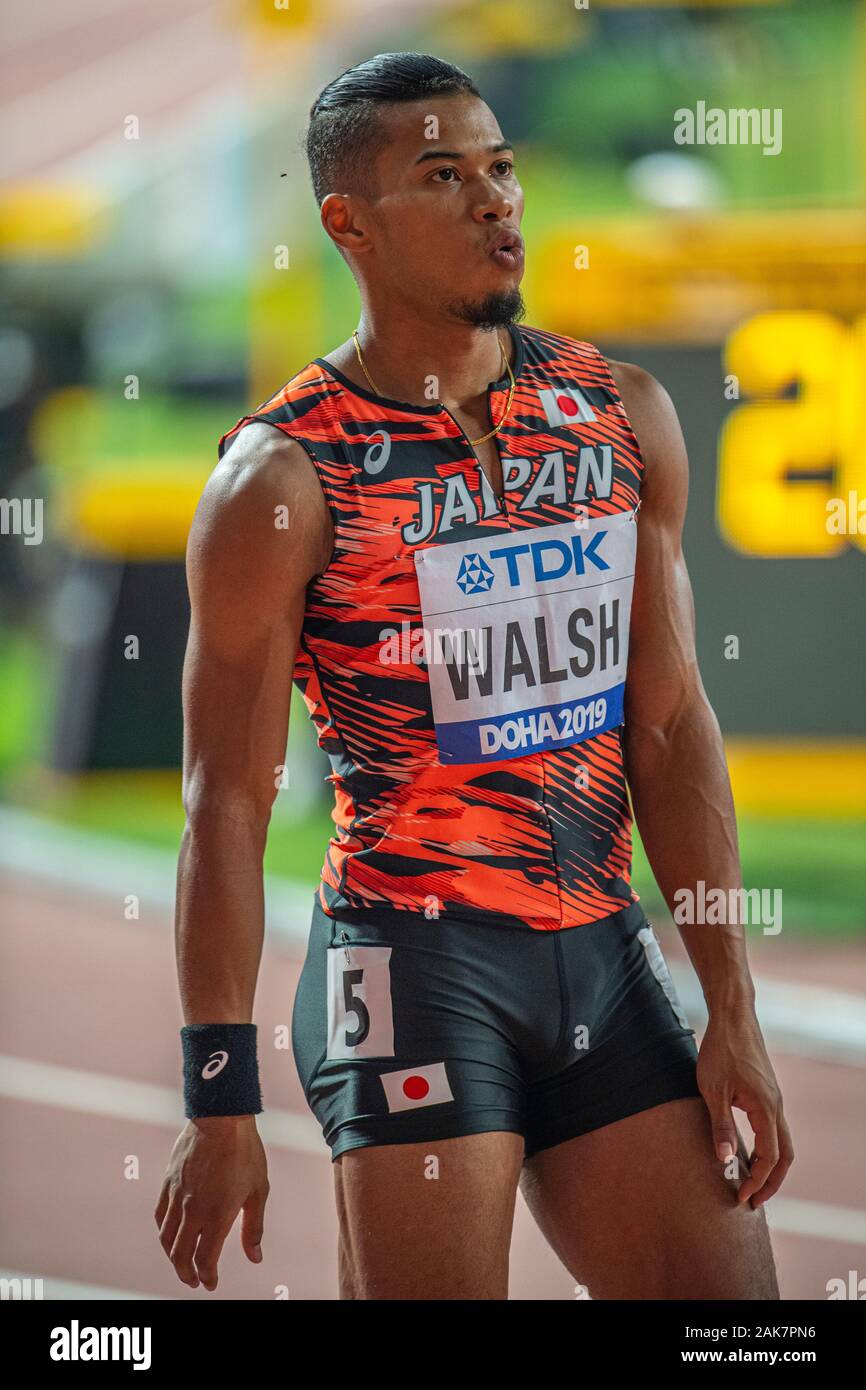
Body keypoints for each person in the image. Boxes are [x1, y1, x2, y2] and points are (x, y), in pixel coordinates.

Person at [155, 52, 792, 1300]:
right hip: (411, 972)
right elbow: (223, 800)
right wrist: (218, 1100)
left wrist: (731, 1006)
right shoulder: (282, 480)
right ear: (349, 224)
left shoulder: (617, 415)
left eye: (499, 169)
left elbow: (664, 732)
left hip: (604, 958)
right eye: (441, 177)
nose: (494, 202)